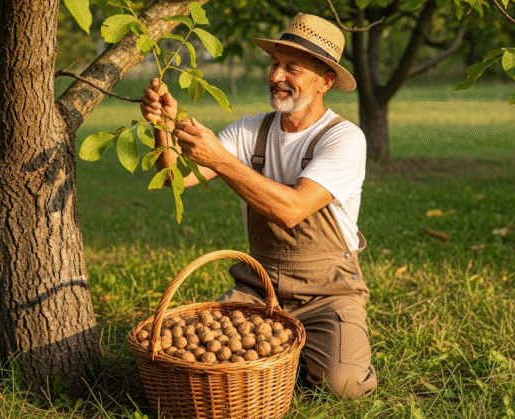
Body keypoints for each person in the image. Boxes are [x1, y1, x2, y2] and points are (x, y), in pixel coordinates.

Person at [141, 13, 377, 399]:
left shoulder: (344, 138)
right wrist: (163, 127)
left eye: (292, 68)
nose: (276, 76)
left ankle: (304, 353)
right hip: (258, 288)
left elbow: (292, 209)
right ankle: (284, 356)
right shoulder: (251, 130)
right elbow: (176, 179)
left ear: (325, 81)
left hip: (328, 291)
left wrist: (220, 159)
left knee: (343, 385)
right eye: (274, 64)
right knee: (204, 360)